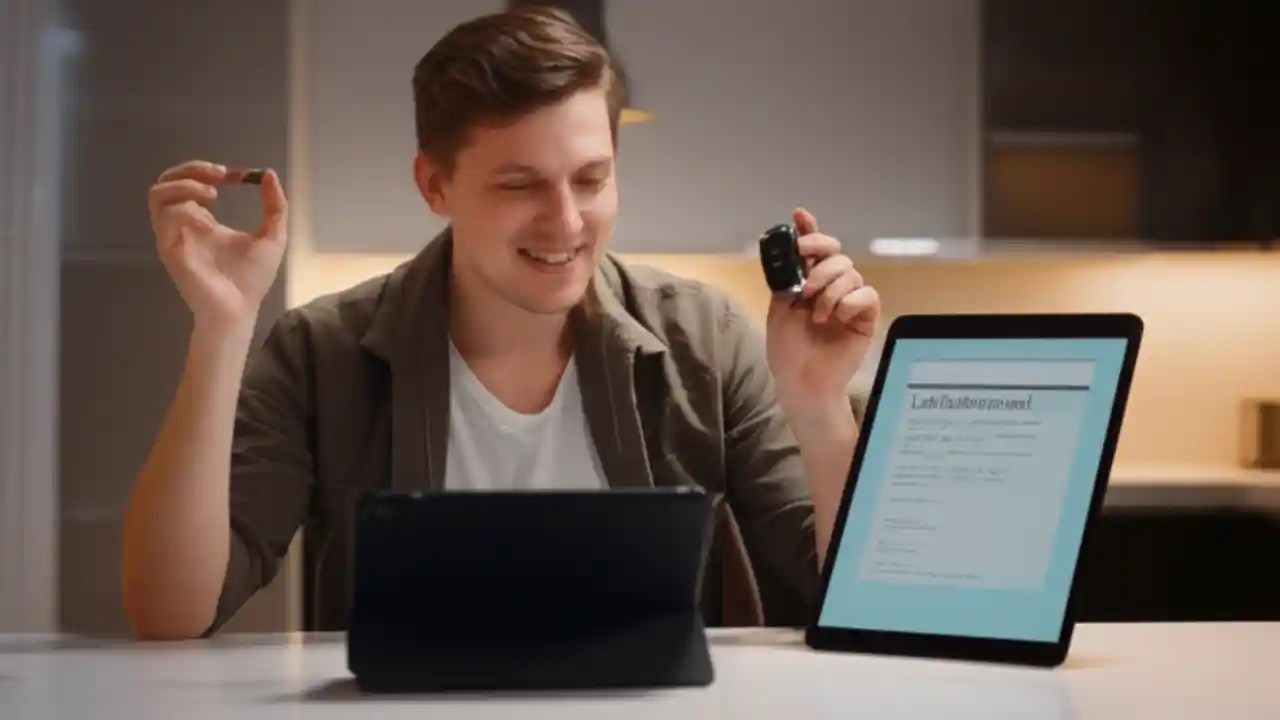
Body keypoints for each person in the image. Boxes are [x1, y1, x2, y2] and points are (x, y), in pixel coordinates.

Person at [122, 6, 881, 640]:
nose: (566, 222)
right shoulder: (321, 352)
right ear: (434, 184)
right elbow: (170, 614)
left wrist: (819, 409)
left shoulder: (706, 340)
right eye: (521, 185)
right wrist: (221, 329)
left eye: (591, 179)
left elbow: (861, 593)